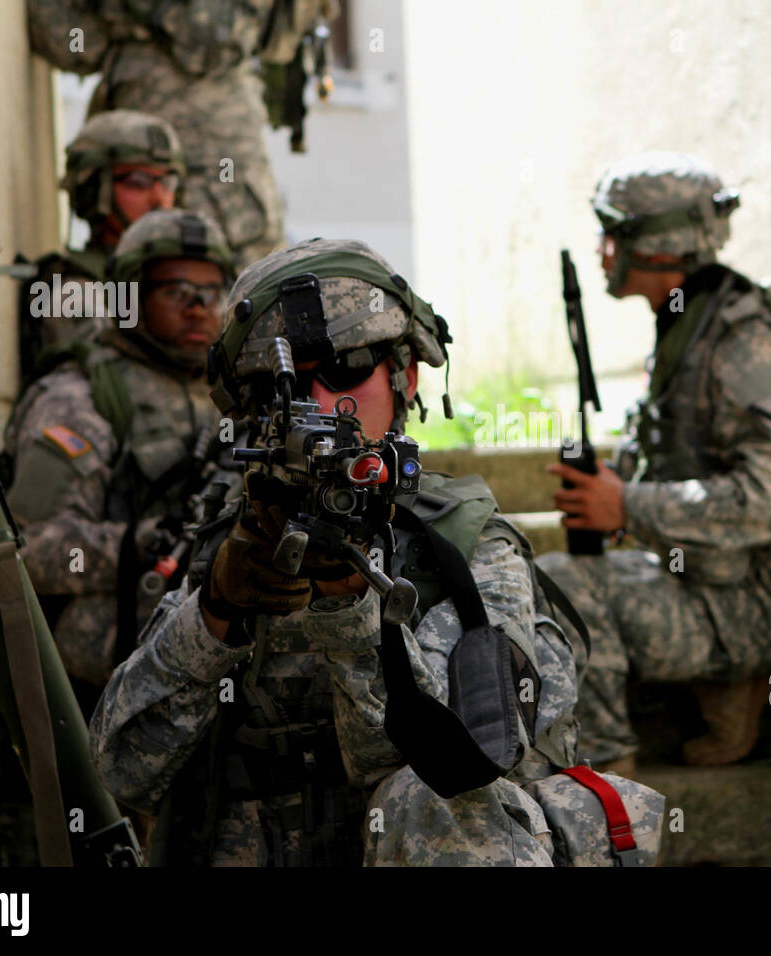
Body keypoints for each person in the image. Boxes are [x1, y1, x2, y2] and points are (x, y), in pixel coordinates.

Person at [88, 239, 597, 866]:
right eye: (289, 387)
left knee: (434, 798)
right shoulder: (235, 546)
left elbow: (448, 774)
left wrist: (351, 606)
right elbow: (119, 773)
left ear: (405, 374)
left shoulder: (467, 548)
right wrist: (215, 613)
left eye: (349, 367)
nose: (324, 409)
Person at [538, 152, 771, 776]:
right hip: (713, 578)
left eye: (613, 232)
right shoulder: (691, 321)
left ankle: (610, 789)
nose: (601, 250)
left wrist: (626, 504)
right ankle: (721, 696)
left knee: (558, 589)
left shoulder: (745, 342)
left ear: (657, 248)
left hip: (755, 603)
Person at [2, 208, 235, 716]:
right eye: (176, 292)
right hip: (112, 675)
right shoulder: (82, 395)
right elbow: (26, 552)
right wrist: (146, 543)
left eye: (212, 293)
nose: (198, 309)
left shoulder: (232, 394)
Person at [25, 0, 340, 268]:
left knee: (233, 290)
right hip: (139, 137)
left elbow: (212, 35)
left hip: (218, 159)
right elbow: (71, 45)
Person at [21, 109, 186, 380]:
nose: (160, 199)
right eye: (138, 182)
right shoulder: (76, 290)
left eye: (167, 182)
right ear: (97, 189)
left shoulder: (186, 279)